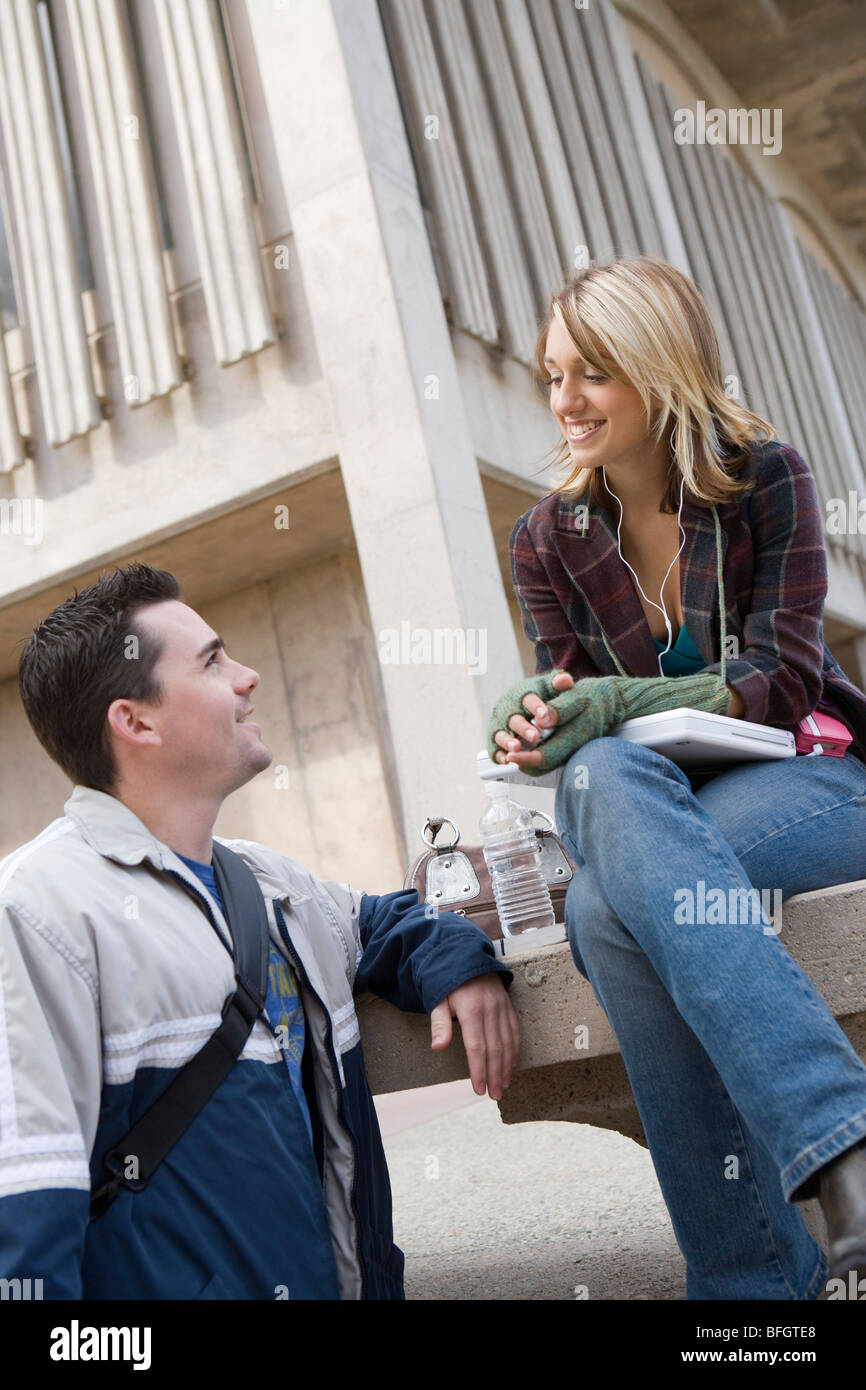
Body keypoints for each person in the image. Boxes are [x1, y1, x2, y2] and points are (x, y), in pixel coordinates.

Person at [489, 256, 866, 1301]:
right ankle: (843, 1155)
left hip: (817, 786)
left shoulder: (764, 477)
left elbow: (785, 682)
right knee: (607, 888)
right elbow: (573, 717)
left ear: (658, 371)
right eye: (550, 375)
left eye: (592, 373)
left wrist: (615, 706)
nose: (562, 401)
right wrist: (537, 720)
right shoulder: (543, 540)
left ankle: (750, 1291)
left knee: (614, 881)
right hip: (657, 822)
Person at [0, 564, 519, 1300]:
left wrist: (459, 962)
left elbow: (384, 920)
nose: (246, 678)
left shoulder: (270, 884)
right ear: (136, 721)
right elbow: (22, 1226)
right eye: (212, 661)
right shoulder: (38, 914)